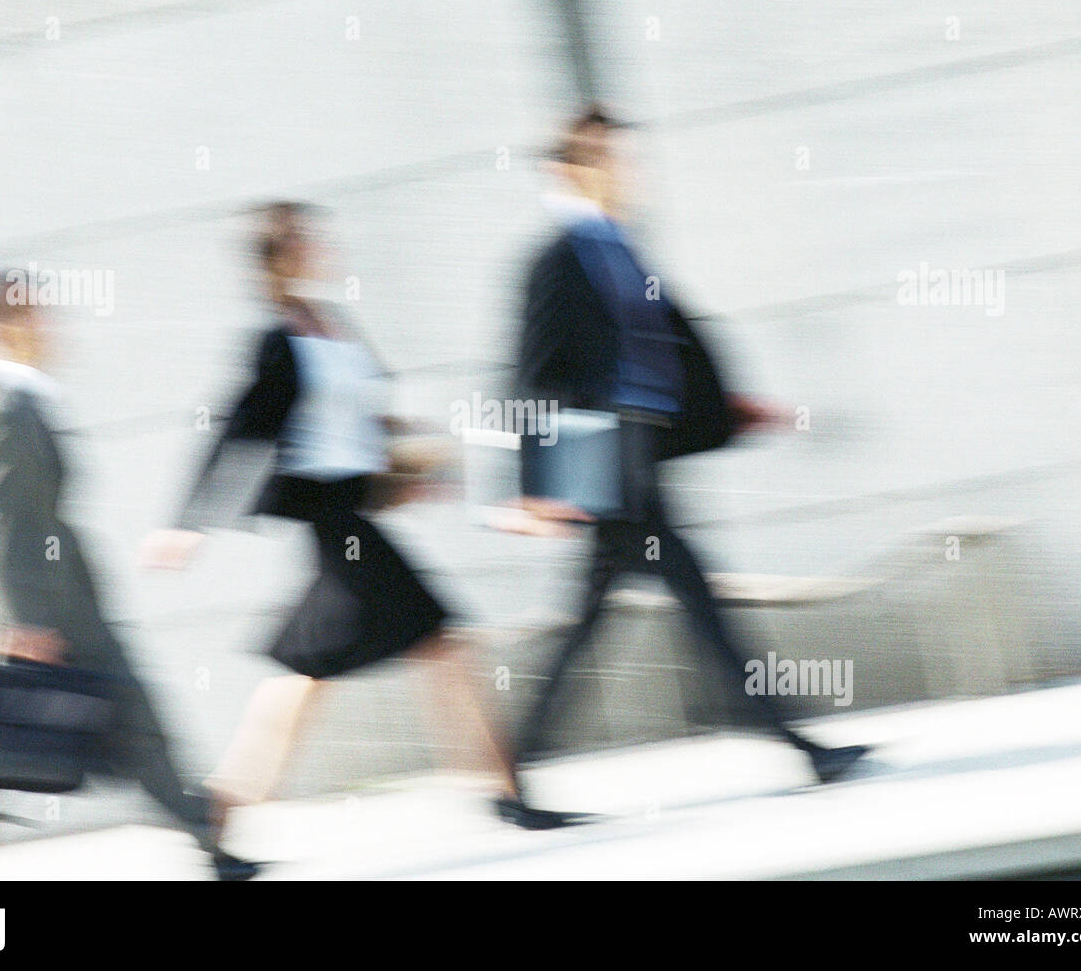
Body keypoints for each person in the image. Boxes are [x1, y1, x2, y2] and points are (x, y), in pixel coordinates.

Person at [141, 202, 582, 831]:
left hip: (351, 516)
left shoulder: (331, 325)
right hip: (332, 523)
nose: (319, 246)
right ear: (280, 257)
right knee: (433, 649)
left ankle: (218, 813)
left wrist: (415, 462)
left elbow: (369, 417)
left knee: (323, 673)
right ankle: (502, 792)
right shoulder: (278, 341)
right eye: (304, 240)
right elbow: (240, 429)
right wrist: (187, 523)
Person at [511, 106, 869, 794]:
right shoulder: (560, 260)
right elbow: (533, 373)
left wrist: (734, 409)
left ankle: (513, 765)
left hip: (637, 458)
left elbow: (666, 345)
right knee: (695, 605)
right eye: (611, 159)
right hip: (606, 465)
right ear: (572, 170)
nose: (627, 172)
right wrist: (539, 484)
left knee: (604, 621)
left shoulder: (614, 246)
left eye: (626, 158)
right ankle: (788, 737)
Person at [0, 274, 260, 879]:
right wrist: (30, 621)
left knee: (130, 719)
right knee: (3, 760)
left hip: (69, 600)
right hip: (53, 610)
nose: (47, 327)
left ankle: (204, 833)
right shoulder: (4, 412)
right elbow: (5, 528)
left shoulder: (24, 401)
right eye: (34, 316)